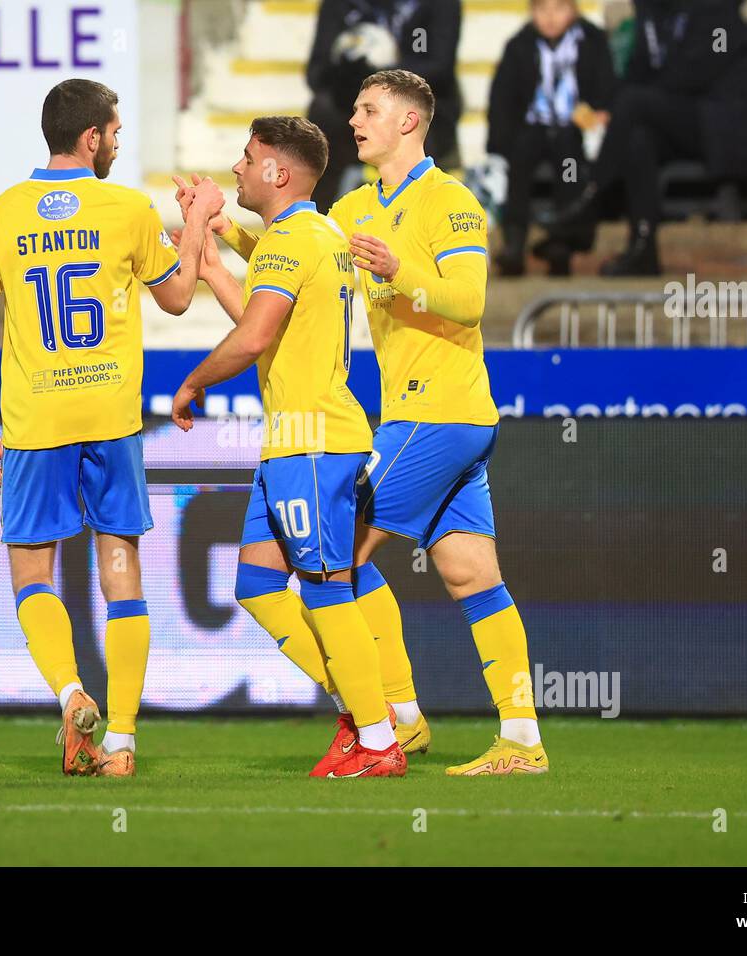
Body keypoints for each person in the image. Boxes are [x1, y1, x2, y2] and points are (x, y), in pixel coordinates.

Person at [190, 70, 549, 776]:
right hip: (444, 420)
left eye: (370, 109)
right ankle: (521, 737)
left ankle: (393, 719)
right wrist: (221, 226)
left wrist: (401, 270)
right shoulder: (352, 205)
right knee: (472, 576)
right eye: (356, 107)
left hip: (433, 411)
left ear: (410, 123)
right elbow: (282, 266)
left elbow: (471, 301)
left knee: (337, 560)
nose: (356, 119)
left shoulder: (451, 201)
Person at [0, 78, 224, 778]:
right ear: (91, 137)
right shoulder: (129, 210)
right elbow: (174, 298)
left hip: (37, 420)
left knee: (31, 573)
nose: (119, 141)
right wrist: (193, 222)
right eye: (116, 130)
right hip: (110, 417)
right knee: (122, 573)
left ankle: (73, 692)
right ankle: (124, 744)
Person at [171, 117, 405, 778]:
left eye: (248, 159)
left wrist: (189, 383)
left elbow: (250, 340)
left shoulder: (287, 241)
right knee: (259, 584)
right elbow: (264, 323)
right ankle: (362, 711)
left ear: (277, 171)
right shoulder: (320, 234)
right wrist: (216, 257)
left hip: (312, 443)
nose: (239, 169)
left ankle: (380, 739)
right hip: (298, 445)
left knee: (327, 590)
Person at [552, 0, 747, 275]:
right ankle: (643, 248)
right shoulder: (651, 10)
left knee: (634, 105)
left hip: (717, 120)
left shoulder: (717, 10)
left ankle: (592, 197)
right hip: (667, 113)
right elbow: (638, 70)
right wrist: (612, 109)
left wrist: (632, 103)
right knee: (637, 137)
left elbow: (701, 71)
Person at [487, 0, 615, 276]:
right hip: (533, 127)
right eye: (542, 9)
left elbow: (607, 89)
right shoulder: (519, 45)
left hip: (575, 130)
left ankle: (562, 241)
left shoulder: (592, 42)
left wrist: (600, 114)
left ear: (573, 10)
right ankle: (515, 242)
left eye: (559, 8)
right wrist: (499, 144)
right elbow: (502, 99)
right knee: (520, 155)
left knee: (568, 159)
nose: (550, 17)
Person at [306, 0, 463, 209]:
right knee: (319, 121)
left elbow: (440, 68)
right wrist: (348, 72)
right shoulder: (340, 5)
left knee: (417, 117)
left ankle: (417, 217)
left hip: (413, 101)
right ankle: (316, 221)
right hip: (347, 103)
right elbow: (316, 73)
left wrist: (381, 75)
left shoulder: (438, 5)